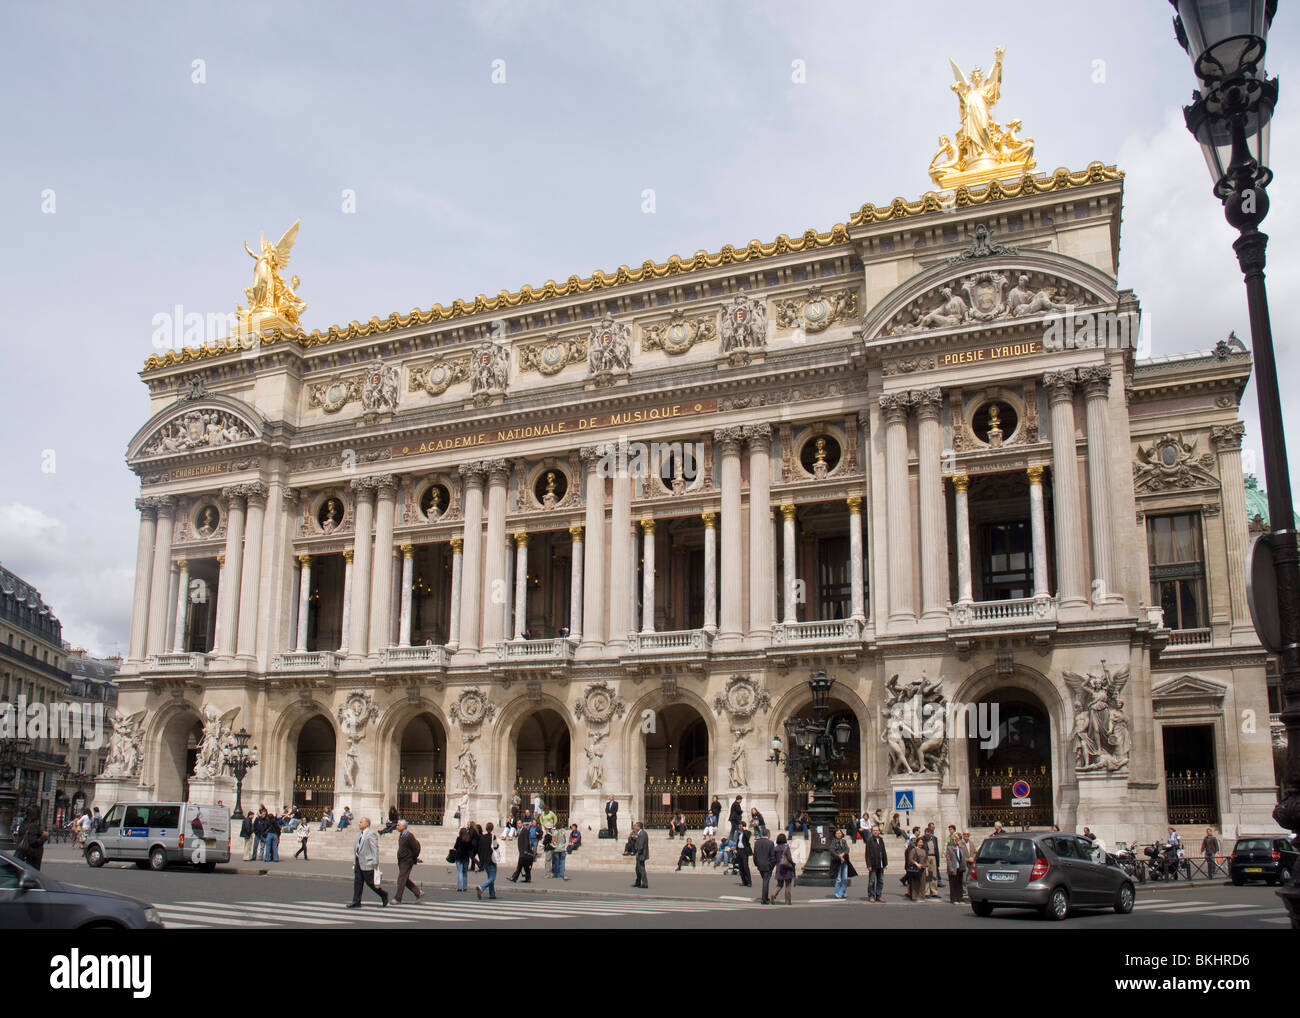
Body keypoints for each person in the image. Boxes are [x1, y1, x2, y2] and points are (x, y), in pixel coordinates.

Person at [347, 818, 389, 908]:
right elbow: (358, 847)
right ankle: (356, 901)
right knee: (358, 882)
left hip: (367, 862)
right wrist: (355, 861)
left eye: (361, 822)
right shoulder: (360, 834)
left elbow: (374, 848)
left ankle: (383, 894)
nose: (359, 824)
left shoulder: (371, 833)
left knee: (370, 882)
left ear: (366, 824)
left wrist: (375, 861)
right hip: (359, 861)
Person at [393, 820, 423, 903]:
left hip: (407, 861)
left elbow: (416, 847)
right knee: (404, 879)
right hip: (402, 860)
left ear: (404, 826)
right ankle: (418, 892)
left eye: (398, 825)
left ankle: (397, 898)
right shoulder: (402, 835)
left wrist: (414, 858)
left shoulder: (409, 836)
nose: (397, 826)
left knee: (401, 879)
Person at [15, 806, 47, 870]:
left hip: (22, 855)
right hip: (31, 857)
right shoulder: (33, 826)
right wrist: (44, 837)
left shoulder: (23, 824)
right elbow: (33, 842)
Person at [475, 822, 498, 900]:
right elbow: (495, 847)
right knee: (492, 877)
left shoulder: (482, 837)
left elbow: (480, 849)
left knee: (489, 876)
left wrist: (480, 860)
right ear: (492, 828)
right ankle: (481, 887)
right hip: (491, 860)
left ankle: (492, 894)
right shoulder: (493, 837)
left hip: (483, 859)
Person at [864, 824, 887, 902]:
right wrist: (868, 865)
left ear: (879, 831)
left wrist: (885, 862)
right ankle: (871, 896)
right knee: (872, 881)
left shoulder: (881, 840)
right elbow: (867, 854)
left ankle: (879, 895)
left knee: (880, 880)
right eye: (874, 831)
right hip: (873, 864)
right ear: (872, 831)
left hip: (880, 864)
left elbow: (884, 852)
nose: (875, 832)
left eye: (877, 830)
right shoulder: (869, 840)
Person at [773, 832, 797, 905]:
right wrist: (792, 864)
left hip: (779, 867)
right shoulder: (786, 848)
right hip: (786, 868)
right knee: (788, 884)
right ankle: (788, 901)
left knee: (779, 884)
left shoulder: (775, 848)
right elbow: (789, 858)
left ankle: (774, 894)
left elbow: (774, 858)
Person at [753, 827, 775, 904]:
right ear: (768, 834)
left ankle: (765, 897)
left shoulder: (757, 842)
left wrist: (756, 864)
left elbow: (755, 855)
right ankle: (764, 899)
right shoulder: (770, 843)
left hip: (760, 864)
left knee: (765, 880)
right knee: (766, 882)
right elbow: (772, 856)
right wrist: (772, 865)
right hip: (767, 865)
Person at [510, 819, 536, 883]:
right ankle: (528, 878)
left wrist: (525, 850)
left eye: (519, 823)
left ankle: (514, 877)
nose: (518, 825)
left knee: (519, 865)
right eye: (517, 823)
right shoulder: (520, 830)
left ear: (522, 824)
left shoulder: (525, 830)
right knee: (525, 866)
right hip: (521, 850)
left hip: (524, 851)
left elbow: (526, 841)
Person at [945, 826, 965, 904]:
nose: (954, 841)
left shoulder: (960, 848)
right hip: (953, 868)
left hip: (959, 868)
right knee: (953, 884)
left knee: (959, 884)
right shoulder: (949, 848)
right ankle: (954, 899)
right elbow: (948, 859)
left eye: (956, 839)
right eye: (953, 840)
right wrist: (950, 868)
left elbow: (962, 858)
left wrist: (963, 866)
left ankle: (960, 898)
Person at [829, 828, 850, 899]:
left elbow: (847, 849)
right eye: (837, 833)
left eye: (840, 833)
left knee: (845, 878)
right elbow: (832, 850)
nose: (839, 834)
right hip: (837, 861)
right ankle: (838, 893)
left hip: (844, 861)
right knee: (838, 878)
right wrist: (839, 856)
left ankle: (843, 892)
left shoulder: (843, 841)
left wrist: (843, 854)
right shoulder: (833, 841)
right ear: (835, 834)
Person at [906, 835, 927, 901]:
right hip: (916, 868)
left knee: (922, 883)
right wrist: (916, 864)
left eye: (922, 842)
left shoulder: (924, 850)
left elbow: (926, 860)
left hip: (923, 868)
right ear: (917, 843)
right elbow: (910, 859)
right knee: (915, 883)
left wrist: (926, 869)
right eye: (919, 842)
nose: (921, 843)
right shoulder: (914, 850)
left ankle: (922, 896)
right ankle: (915, 896)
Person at [454, 826, 475, 892]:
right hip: (466, 857)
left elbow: (455, 847)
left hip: (459, 856)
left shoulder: (459, 839)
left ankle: (460, 887)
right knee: (465, 873)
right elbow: (471, 848)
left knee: (459, 872)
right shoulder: (468, 839)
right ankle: (465, 887)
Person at [922, 824, 940, 899]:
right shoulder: (922, 839)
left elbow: (937, 850)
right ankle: (927, 892)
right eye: (926, 832)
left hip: (933, 856)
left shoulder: (934, 839)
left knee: (934, 875)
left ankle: (934, 891)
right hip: (926, 856)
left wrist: (938, 860)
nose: (928, 834)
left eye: (929, 832)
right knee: (927, 875)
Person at [734, 821, 753, 887]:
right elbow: (738, 842)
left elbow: (747, 838)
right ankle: (744, 881)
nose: (739, 827)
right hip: (739, 850)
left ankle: (749, 881)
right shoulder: (740, 834)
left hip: (744, 851)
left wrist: (745, 830)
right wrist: (736, 849)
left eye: (740, 826)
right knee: (741, 867)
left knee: (745, 866)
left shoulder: (747, 832)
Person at [632, 821, 650, 888]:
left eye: (636, 826)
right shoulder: (640, 833)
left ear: (639, 827)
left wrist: (637, 851)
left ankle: (645, 883)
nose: (635, 827)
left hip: (641, 854)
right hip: (640, 853)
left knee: (641, 869)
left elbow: (641, 845)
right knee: (637, 869)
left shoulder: (642, 834)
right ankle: (638, 882)